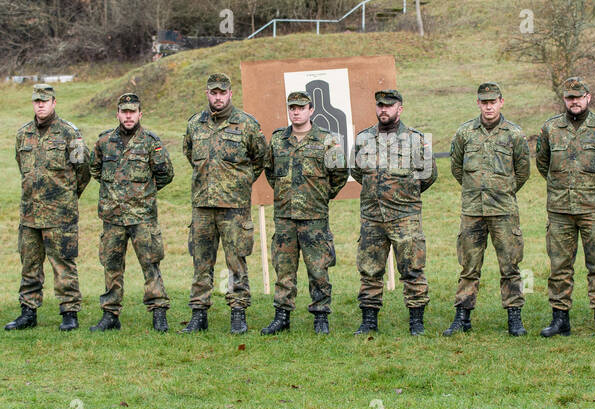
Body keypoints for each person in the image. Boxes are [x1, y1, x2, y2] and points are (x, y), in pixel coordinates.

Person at [180, 73, 270, 334]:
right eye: (213, 93)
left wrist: (239, 182)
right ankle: (199, 313)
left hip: (234, 207)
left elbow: (260, 158)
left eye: (222, 92)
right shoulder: (195, 124)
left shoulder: (246, 124)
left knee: (236, 261)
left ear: (230, 93)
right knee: (201, 262)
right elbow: (190, 153)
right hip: (202, 206)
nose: (217, 97)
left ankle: (238, 313)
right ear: (207, 94)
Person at [534, 77, 595, 337]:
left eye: (579, 97)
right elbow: (543, 163)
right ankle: (560, 320)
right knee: (559, 267)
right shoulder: (550, 128)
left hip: (593, 209)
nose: (574, 101)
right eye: (570, 97)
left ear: (588, 97)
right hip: (560, 211)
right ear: (564, 99)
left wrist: (594, 186)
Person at [445, 81, 531, 336]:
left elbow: (523, 171)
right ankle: (462, 316)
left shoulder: (514, 134)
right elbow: (457, 168)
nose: (489, 106)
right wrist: (476, 189)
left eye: (493, 102)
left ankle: (514, 318)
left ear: (501, 102)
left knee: (511, 266)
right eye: (484, 102)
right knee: (469, 267)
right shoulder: (465, 133)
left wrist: (502, 190)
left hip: (504, 211)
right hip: (473, 211)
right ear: (478, 104)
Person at [261, 91, 349, 335]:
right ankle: (282, 316)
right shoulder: (278, 139)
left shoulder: (327, 139)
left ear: (311, 110)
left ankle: (321, 316)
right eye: (292, 108)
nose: (296, 111)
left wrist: (321, 195)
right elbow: (270, 172)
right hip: (285, 217)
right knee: (284, 268)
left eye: (301, 107)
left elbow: (340, 173)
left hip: (314, 217)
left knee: (318, 269)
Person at [5, 83, 90, 331]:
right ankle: (28, 312)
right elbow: (23, 167)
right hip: (30, 214)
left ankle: (69, 312)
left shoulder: (70, 133)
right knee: (29, 266)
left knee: (64, 265)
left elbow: (83, 170)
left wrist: (67, 197)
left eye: (45, 101)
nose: (40, 105)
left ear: (54, 103)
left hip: (60, 215)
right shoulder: (23, 134)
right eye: (36, 101)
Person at [351, 90, 437, 335]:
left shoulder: (415, 139)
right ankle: (369, 321)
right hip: (372, 217)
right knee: (369, 269)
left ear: (400, 108)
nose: (383, 110)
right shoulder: (363, 139)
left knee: (412, 269)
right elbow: (357, 171)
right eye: (380, 106)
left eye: (389, 106)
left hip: (405, 217)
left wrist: (404, 196)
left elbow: (429, 174)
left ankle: (416, 321)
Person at [88, 93, 175, 332]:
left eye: (132, 112)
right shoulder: (104, 141)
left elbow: (166, 173)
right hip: (113, 217)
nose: (128, 116)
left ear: (140, 114)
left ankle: (158, 312)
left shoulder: (150, 141)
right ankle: (110, 315)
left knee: (151, 265)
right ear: (117, 114)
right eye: (124, 112)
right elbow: (95, 169)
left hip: (142, 217)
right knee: (111, 266)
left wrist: (144, 192)